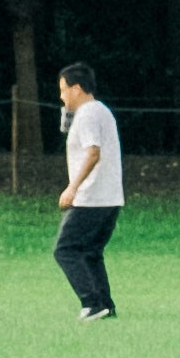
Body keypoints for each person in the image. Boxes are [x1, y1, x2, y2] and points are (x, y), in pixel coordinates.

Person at [51, 61, 124, 318]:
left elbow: (93, 152)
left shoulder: (90, 113)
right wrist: (66, 113)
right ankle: (105, 305)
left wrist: (72, 188)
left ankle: (91, 303)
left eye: (63, 89)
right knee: (91, 252)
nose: (61, 95)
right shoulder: (97, 111)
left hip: (92, 197)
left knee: (65, 250)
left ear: (77, 88)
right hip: (110, 197)